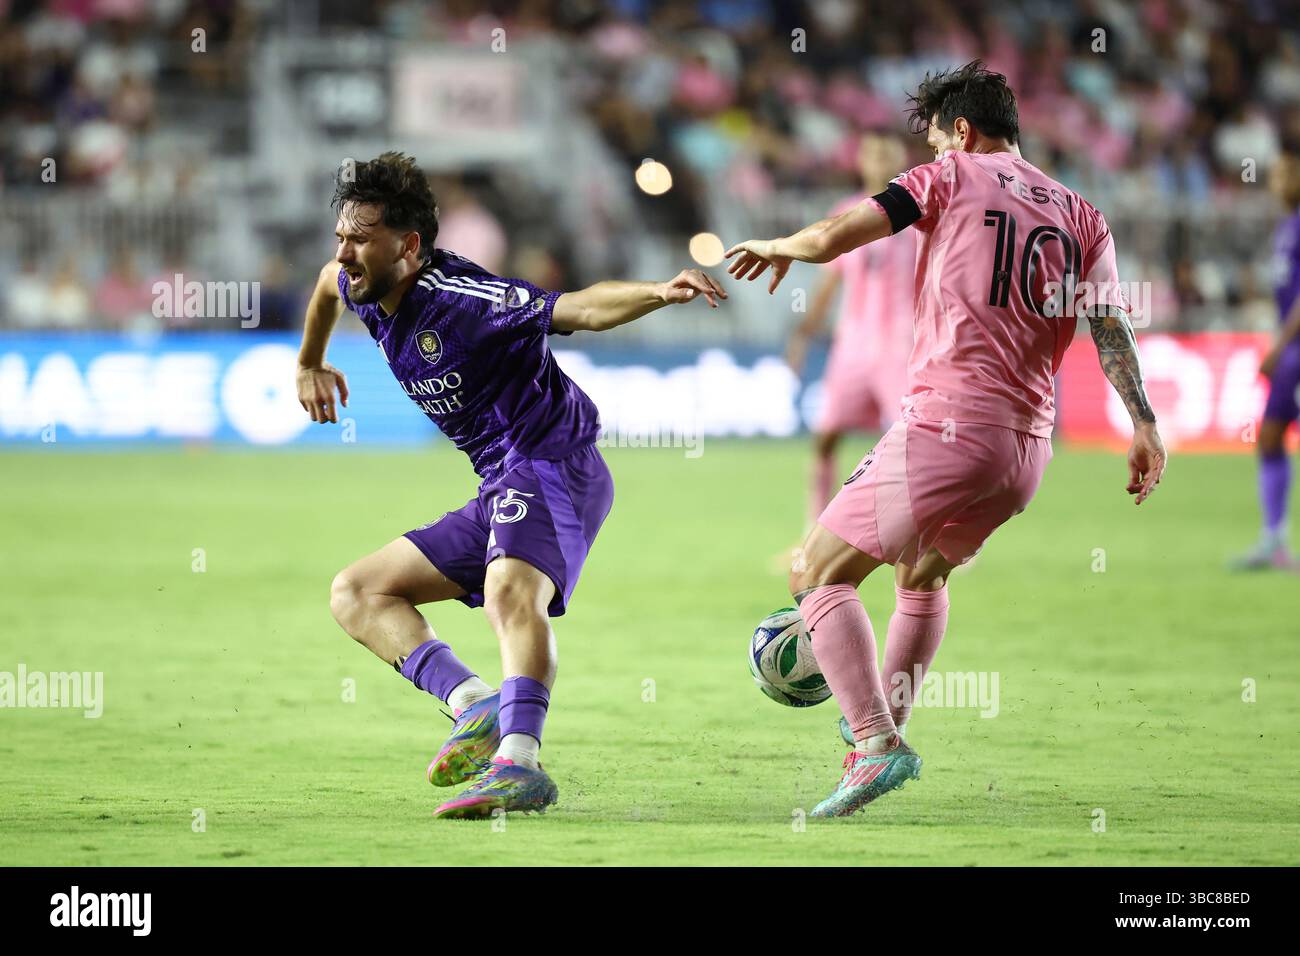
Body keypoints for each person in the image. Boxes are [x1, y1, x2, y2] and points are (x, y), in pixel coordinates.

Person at [725, 61, 1167, 818]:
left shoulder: (952, 176)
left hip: (948, 426)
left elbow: (840, 233)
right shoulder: (1083, 214)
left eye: (935, 140)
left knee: (817, 573)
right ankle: (882, 739)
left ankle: (874, 741)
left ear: (961, 132)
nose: (932, 155)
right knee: (922, 576)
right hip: (1025, 452)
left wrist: (786, 245)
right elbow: (1109, 322)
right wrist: (1145, 422)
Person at [297, 152, 724, 819]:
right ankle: (477, 707)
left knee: (509, 589)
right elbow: (326, 286)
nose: (344, 252)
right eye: (341, 236)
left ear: (408, 246)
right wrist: (309, 362)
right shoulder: (358, 283)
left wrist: (657, 292)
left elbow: (575, 309)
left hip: (556, 464)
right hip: (500, 480)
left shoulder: (465, 302)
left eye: (360, 238)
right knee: (357, 591)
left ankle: (519, 764)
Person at [786, 132, 916, 527]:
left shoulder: (921, 214)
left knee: (914, 441)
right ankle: (814, 530)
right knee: (826, 435)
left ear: (900, 155)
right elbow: (828, 282)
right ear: (859, 160)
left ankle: (931, 533)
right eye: (871, 152)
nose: (878, 159)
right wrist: (802, 336)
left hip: (902, 345)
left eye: (886, 150)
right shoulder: (845, 211)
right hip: (852, 346)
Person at [1232, 151, 1300, 571]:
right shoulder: (1286, 227)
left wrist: (1278, 346)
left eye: (1283, 175)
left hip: (1295, 350)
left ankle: (1275, 541)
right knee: (1270, 437)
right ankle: (1274, 540)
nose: (1276, 182)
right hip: (1291, 350)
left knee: (1272, 435)